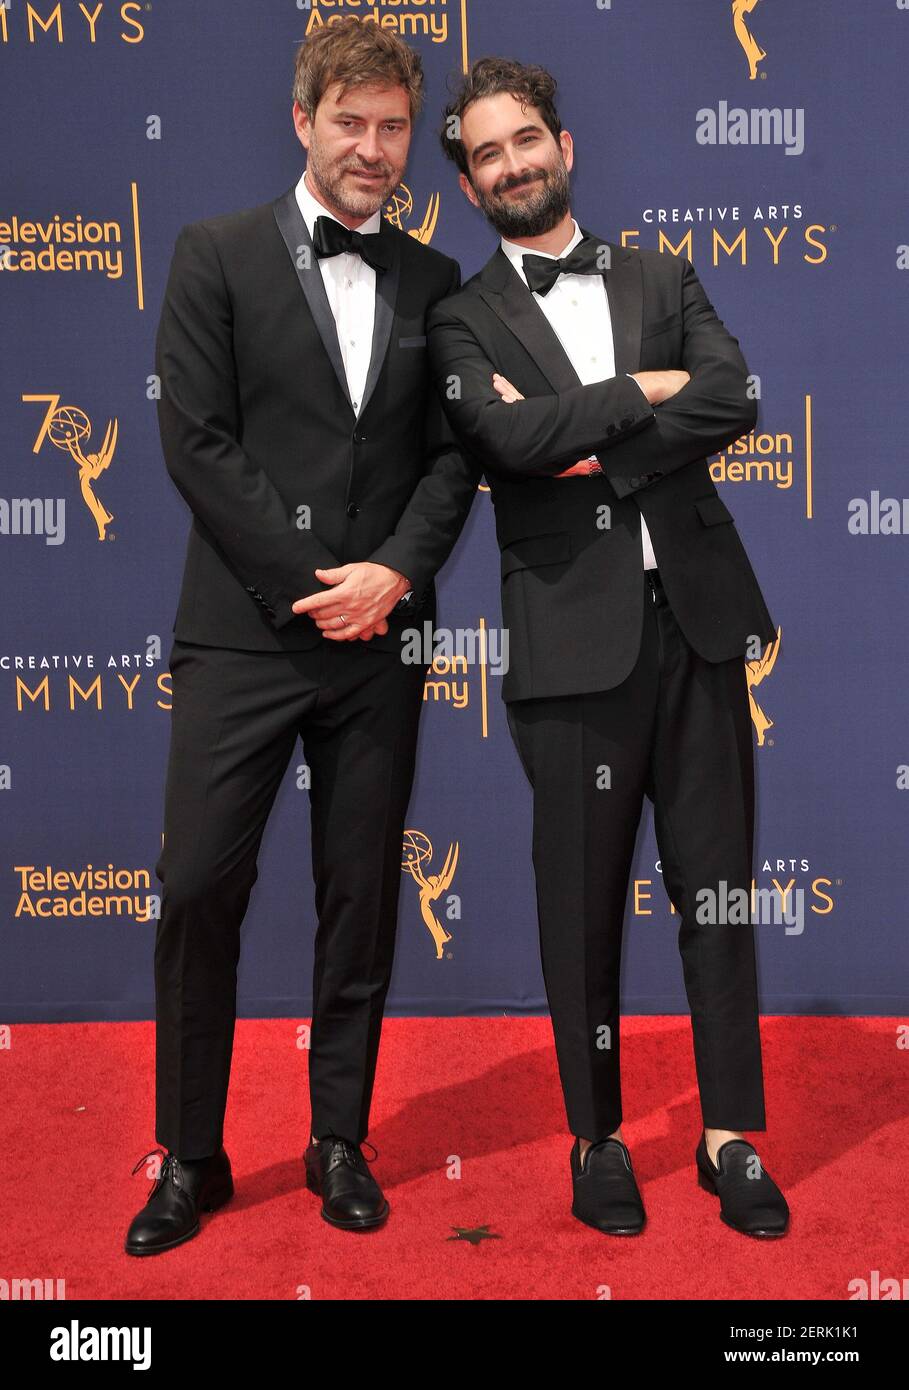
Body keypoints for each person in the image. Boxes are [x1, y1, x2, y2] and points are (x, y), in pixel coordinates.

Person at [125, 19, 480, 1255]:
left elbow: (453, 458)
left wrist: (392, 575)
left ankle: (340, 1140)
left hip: (380, 641)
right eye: (350, 123)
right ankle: (190, 1155)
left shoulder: (440, 281)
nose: (373, 149)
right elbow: (196, 444)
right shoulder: (213, 254)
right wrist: (311, 583)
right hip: (242, 635)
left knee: (360, 896)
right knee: (195, 887)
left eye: (394, 127)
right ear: (302, 121)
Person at [426, 57, 789, 1238]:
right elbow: (508, 441)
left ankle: (731, 1133)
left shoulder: (659, 271)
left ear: (564, 146)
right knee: (579, 904)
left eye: (526, 140)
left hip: (699, 624)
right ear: (469, 185)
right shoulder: (459, 317)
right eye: (487, 154)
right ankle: (598, 1137)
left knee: (717, 888)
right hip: (570, 642)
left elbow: (732, 395)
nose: (512, 165)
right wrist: (641, 388)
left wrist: (597, 443)